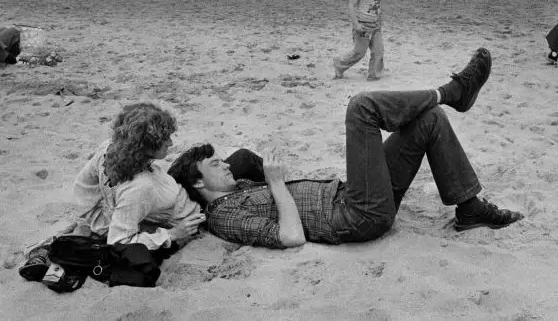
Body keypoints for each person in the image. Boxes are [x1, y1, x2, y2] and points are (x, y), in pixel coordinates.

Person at [169, 48, 524, 249]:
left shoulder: (239, 188)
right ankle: (452, 93)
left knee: (428, 119)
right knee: (360, 108)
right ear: (199, 184)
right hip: (355, 217)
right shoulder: (223, 216)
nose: (226, 165)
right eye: (215, 165)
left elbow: (243, 159)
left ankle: (470, 208)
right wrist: (275, 184)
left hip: (354, 196)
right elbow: (290, 237)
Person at [19, 102, 267, 280]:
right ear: (145, 147)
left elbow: (83, 186)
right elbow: (120, 241)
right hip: (195, 211)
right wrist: (171, 234)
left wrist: (103, 211)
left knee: (240, 160)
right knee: (244, 162)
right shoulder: (140, 188)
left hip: (169, 188)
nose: (171, 143)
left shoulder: (110, 149)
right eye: (165, 140)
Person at [333, 0, 384, 80]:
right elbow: (351, 5)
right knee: (359, 52)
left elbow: (376, 5)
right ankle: (339, 64)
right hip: (362, 26)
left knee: (378, 51)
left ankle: (374, 75)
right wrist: (356, 24)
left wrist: (379, 20)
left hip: (376, 26)